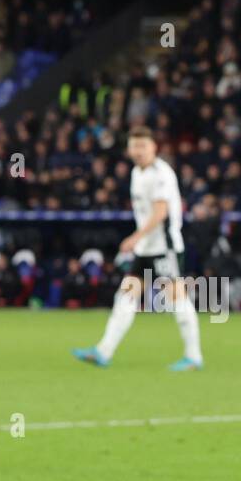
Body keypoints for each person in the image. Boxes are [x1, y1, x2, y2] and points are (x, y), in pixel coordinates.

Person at [72, 128, 202, 371]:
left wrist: (134, 237)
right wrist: (140, 240)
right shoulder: (136, 172)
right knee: (126, 295)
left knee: (177, 298)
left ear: (154, 147)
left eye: (143, 145)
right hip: (145, 248)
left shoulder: (162, 173)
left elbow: (160, 213)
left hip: (165, 247)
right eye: (134, 146)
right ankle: (103, 351)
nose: (138, 151)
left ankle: (193, 357)